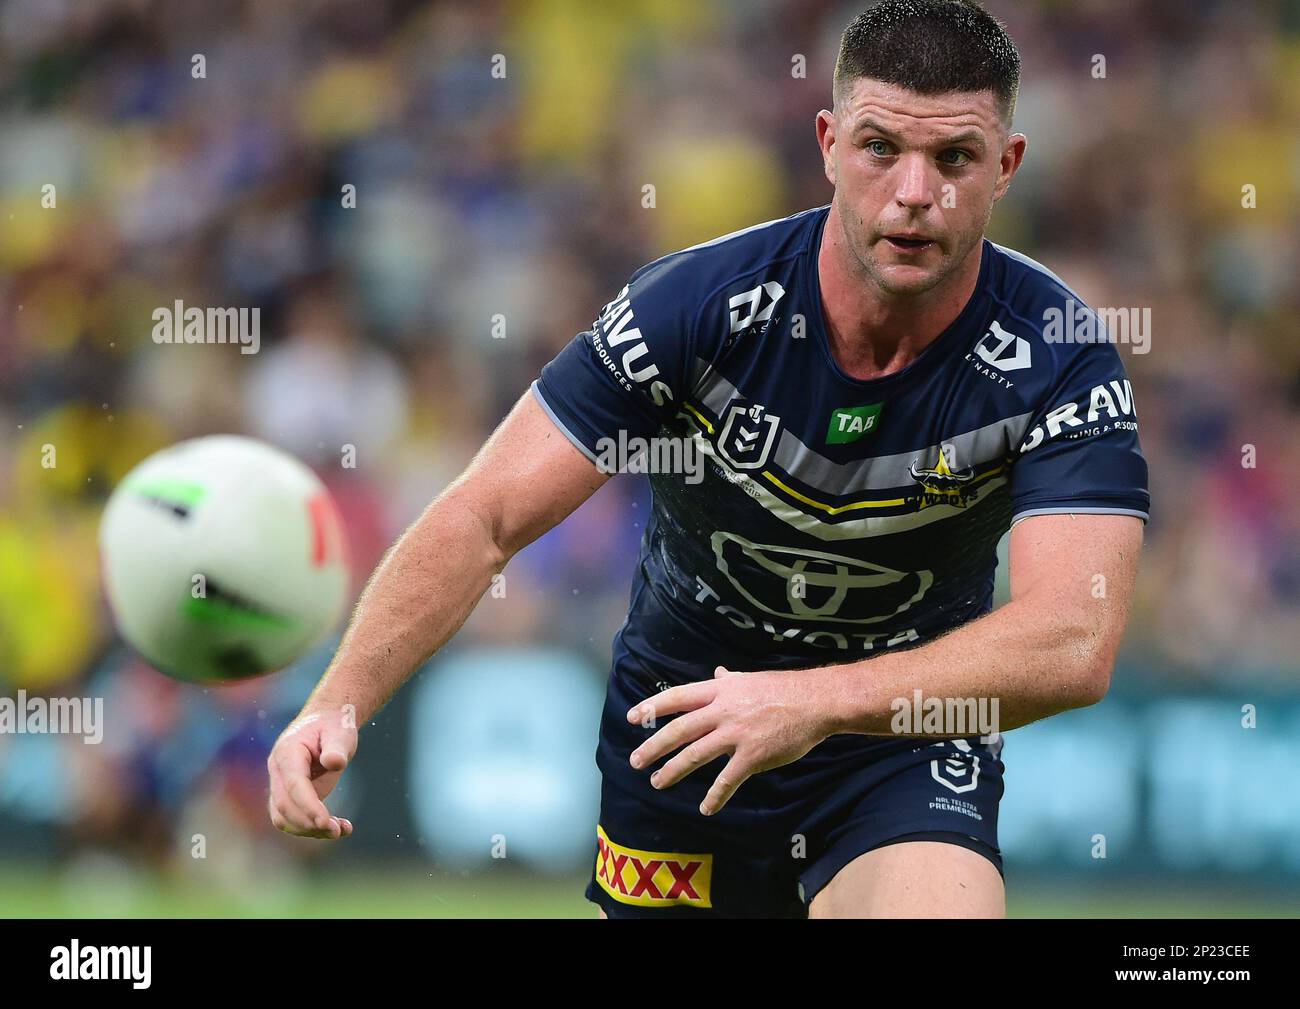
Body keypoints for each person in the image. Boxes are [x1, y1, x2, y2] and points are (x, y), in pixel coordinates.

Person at [266, 0, 1149, 918]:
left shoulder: (1059, 355)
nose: (915, 191)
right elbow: (486, 515)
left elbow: (1074, 637)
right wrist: (337, 700)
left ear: (1006, 165)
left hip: (901, 737)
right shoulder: (694, 309)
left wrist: (817, 701)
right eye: (881, 147)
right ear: (829, 143)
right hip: (684, 732)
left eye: (954, 158)